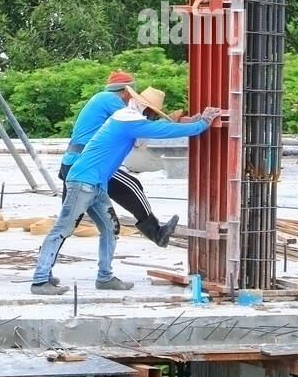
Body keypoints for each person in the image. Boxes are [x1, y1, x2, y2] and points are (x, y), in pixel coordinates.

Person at [31, 88, 220, 295]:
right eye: (153, 114)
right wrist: (202, 124)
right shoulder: (129, 121)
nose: (152, 118)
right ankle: (40, 281)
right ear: (146, 110)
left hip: (96, 183)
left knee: (111, 228)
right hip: (84, 182)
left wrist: (188, 122)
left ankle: (105, 277)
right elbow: (164, 132)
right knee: (63, 228)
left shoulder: (126, 118)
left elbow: (156, 129)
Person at [59, 71, 181, 247]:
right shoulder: (111, 101)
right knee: (133, 186)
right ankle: (157, 233)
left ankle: (46, 256)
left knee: (68, 220)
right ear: (125, 92)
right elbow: (138, 127)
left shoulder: (100, 101)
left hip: (72, 162)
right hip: (89, 164)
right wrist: (172, 123)